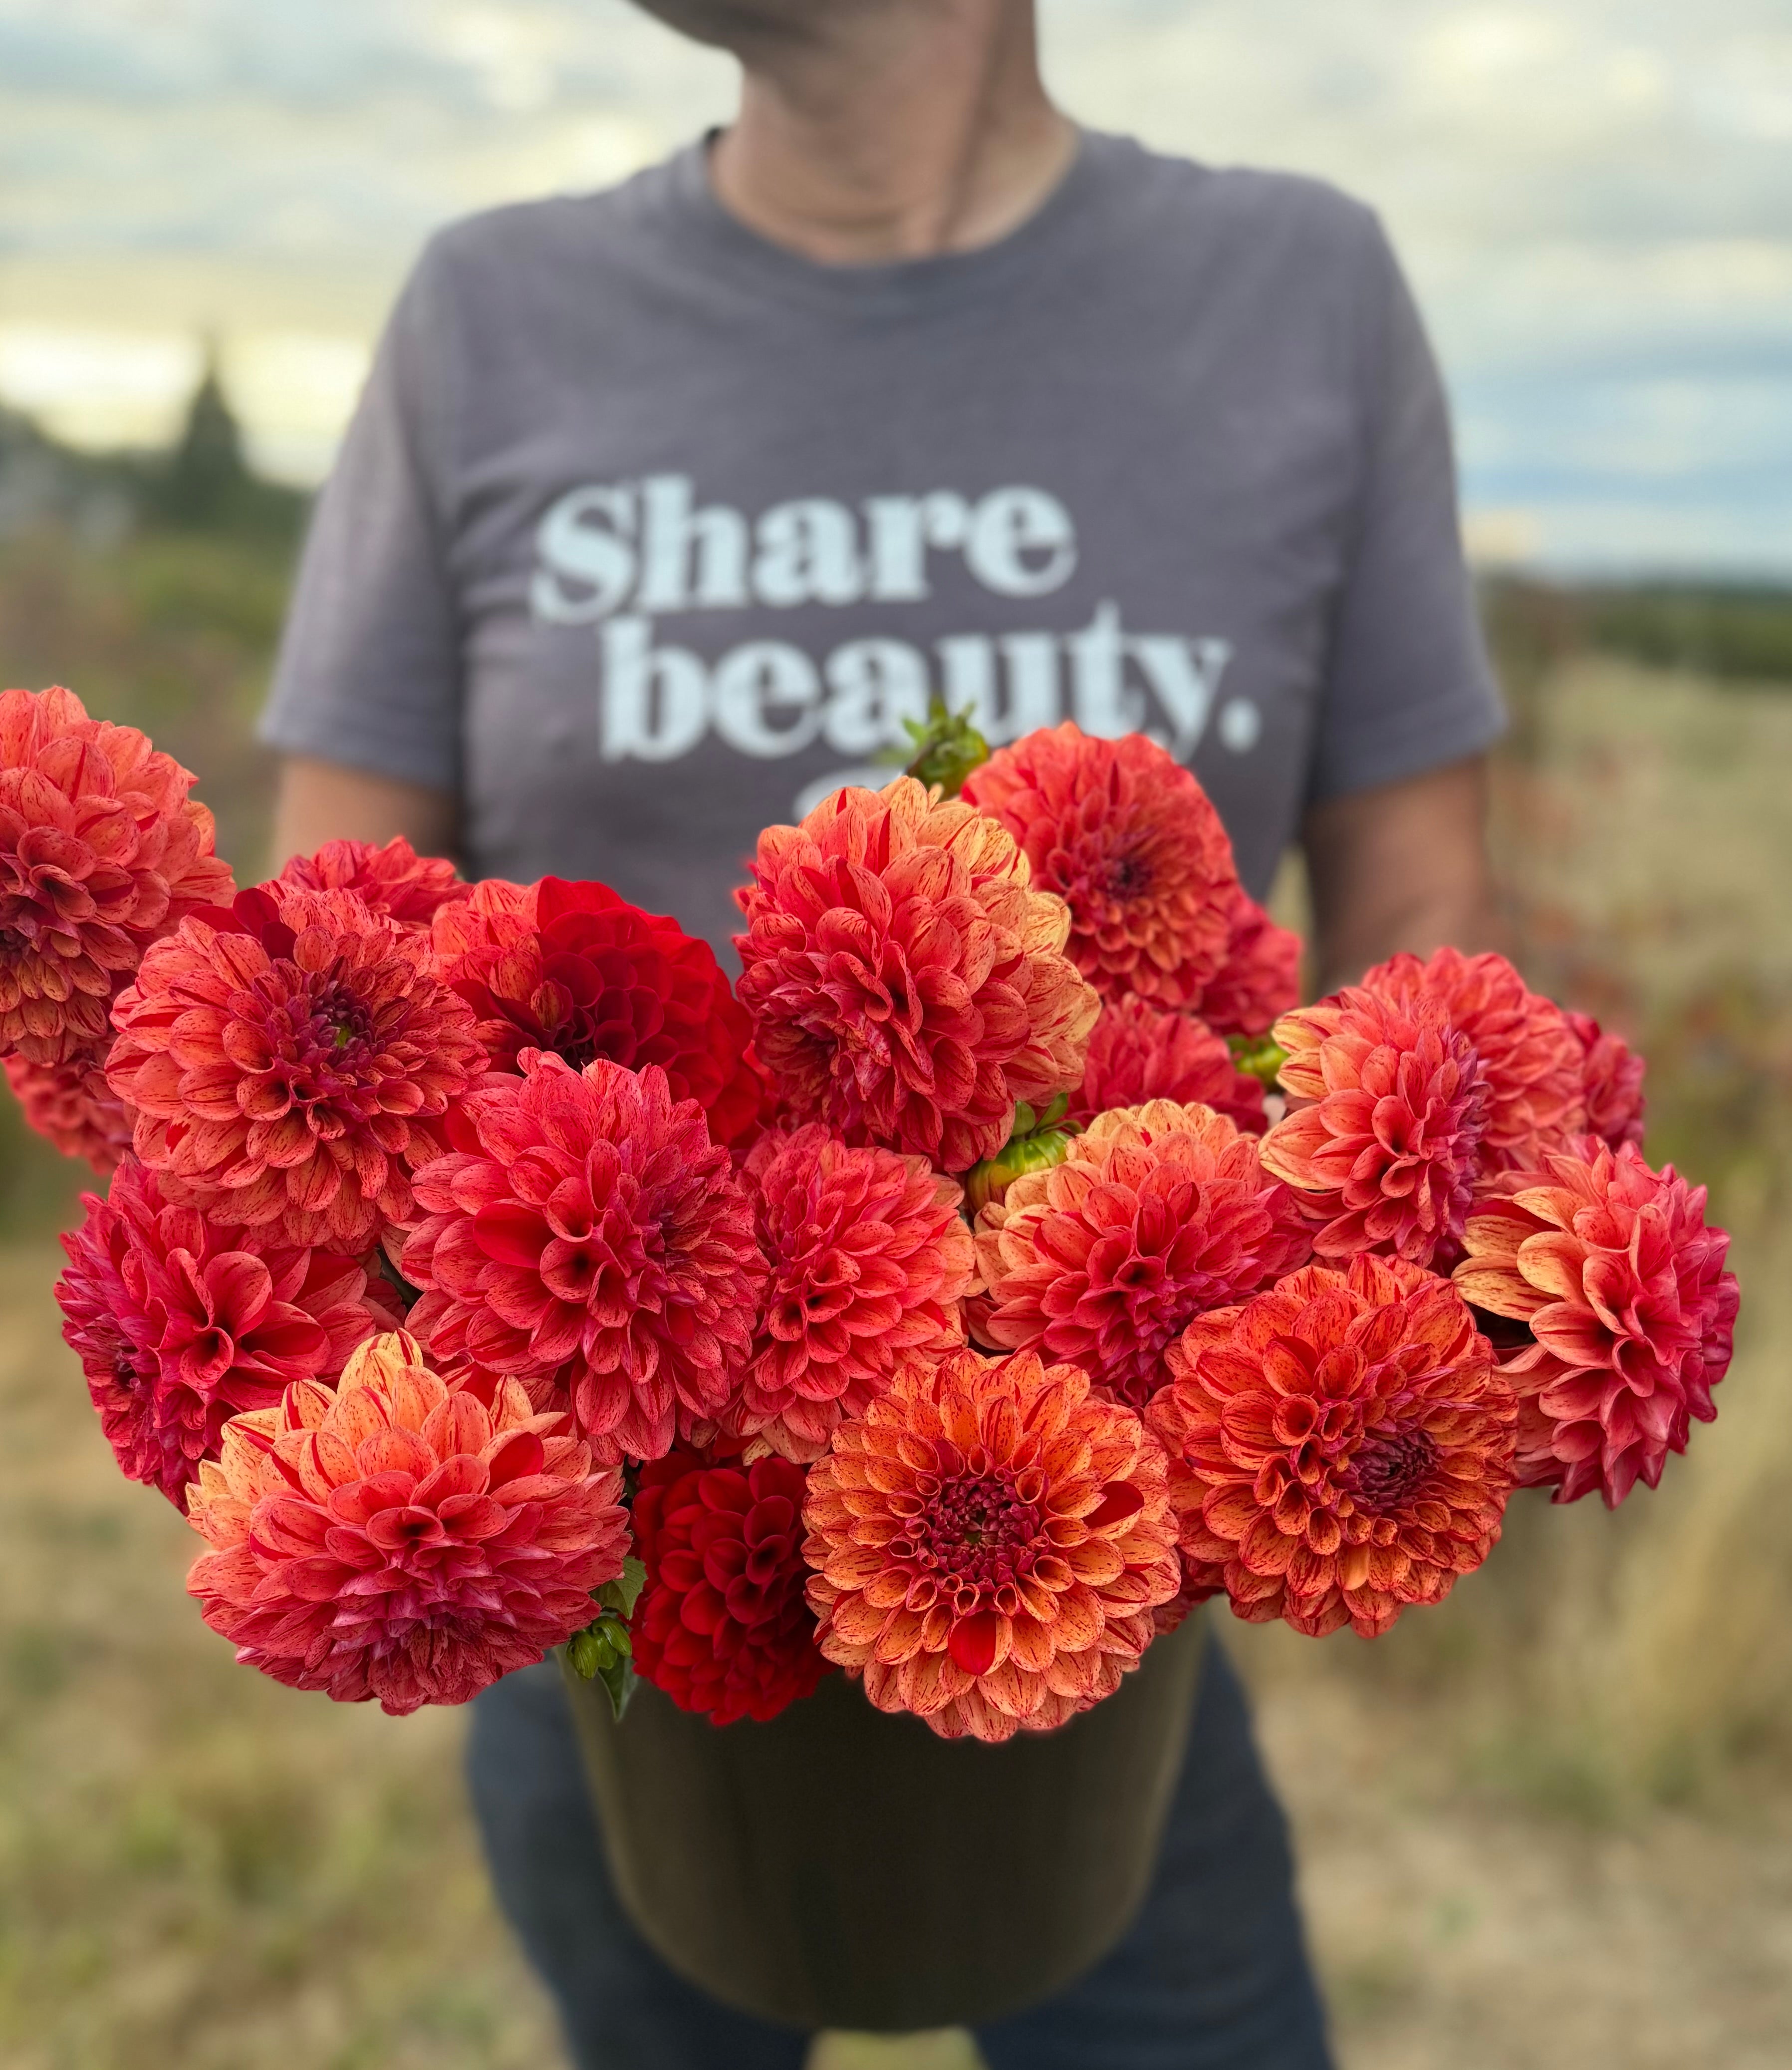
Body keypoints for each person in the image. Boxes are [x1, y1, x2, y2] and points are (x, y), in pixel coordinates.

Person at [262, 2, 1503, 2064]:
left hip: (1102, 1533)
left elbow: (1423, 910)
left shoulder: (1301, 293)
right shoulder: (493, 313)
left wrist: (1374, 1349)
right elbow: (324, 929)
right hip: (601, 1548)